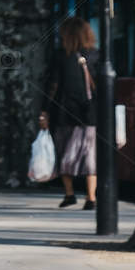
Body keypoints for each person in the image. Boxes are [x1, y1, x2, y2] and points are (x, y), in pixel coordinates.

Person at [40, 15, 101, 209]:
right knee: (89, 155)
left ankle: (70, 194)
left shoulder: (61, 56)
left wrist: (45, 112)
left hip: (64, 113)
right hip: (90, 114)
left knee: (63, 153)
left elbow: (52, 86)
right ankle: (91, 197)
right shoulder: (96, 55)